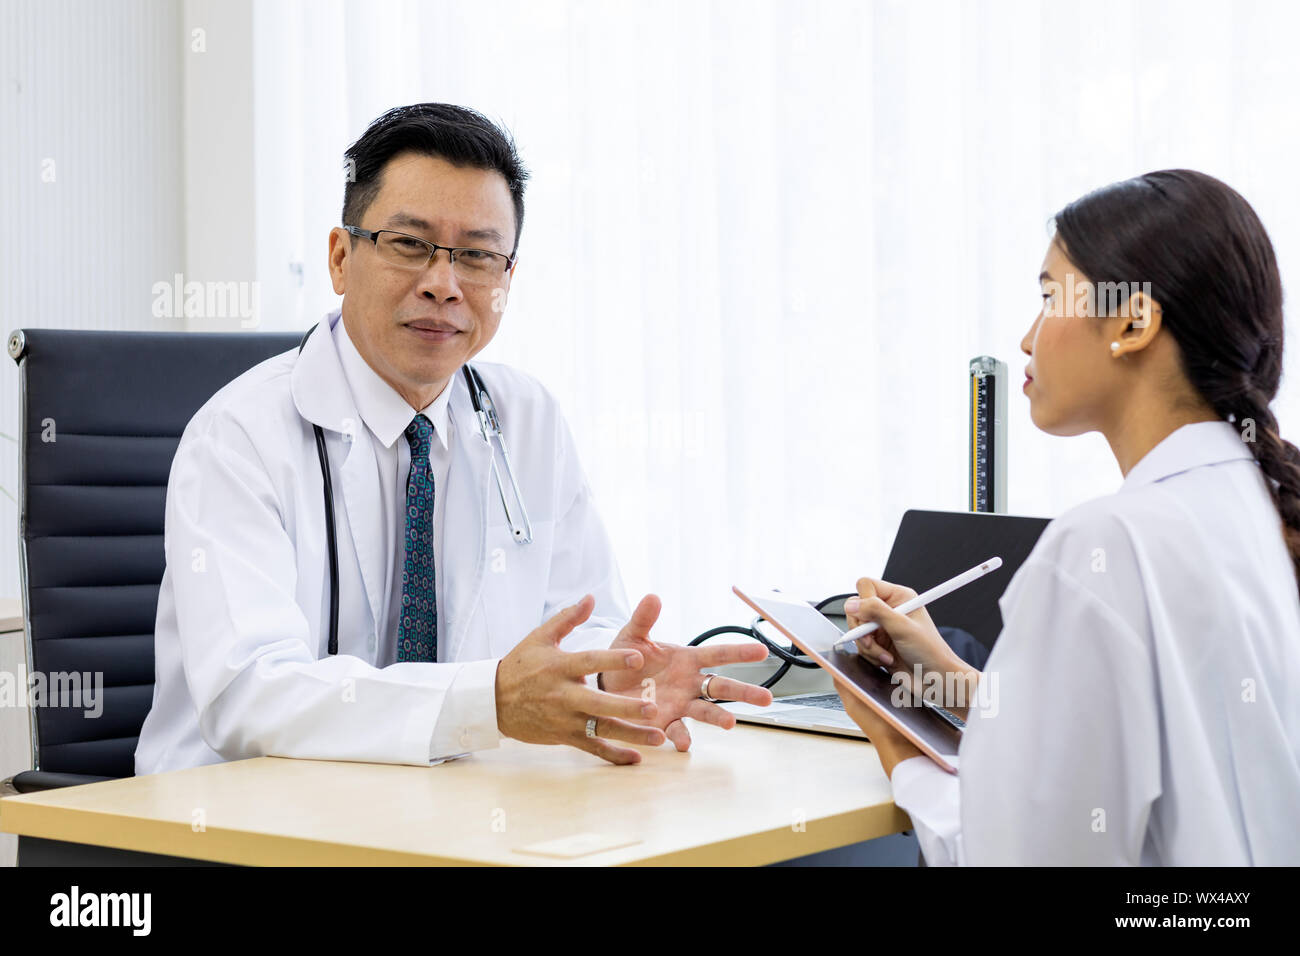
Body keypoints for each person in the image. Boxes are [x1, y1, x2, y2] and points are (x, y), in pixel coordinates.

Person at [135, 103, 772, 775]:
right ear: (341, 258)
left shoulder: (527, 419)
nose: (443, 285)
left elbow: (574, 625)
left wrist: (614, 679)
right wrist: (484, 702)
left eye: (477, 256)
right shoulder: (239, 436)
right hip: (234, 825)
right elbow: (248, 695)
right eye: (410, 245)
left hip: (448, 816)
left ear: (507, 280)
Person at [833, 169, 1300, 864]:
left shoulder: (1103, 546)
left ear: (1134, 321)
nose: (1026, 340)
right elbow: (1160, 742)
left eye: (1050, 297)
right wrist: (943, 680)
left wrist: (901, 748)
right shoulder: (1251, 510)